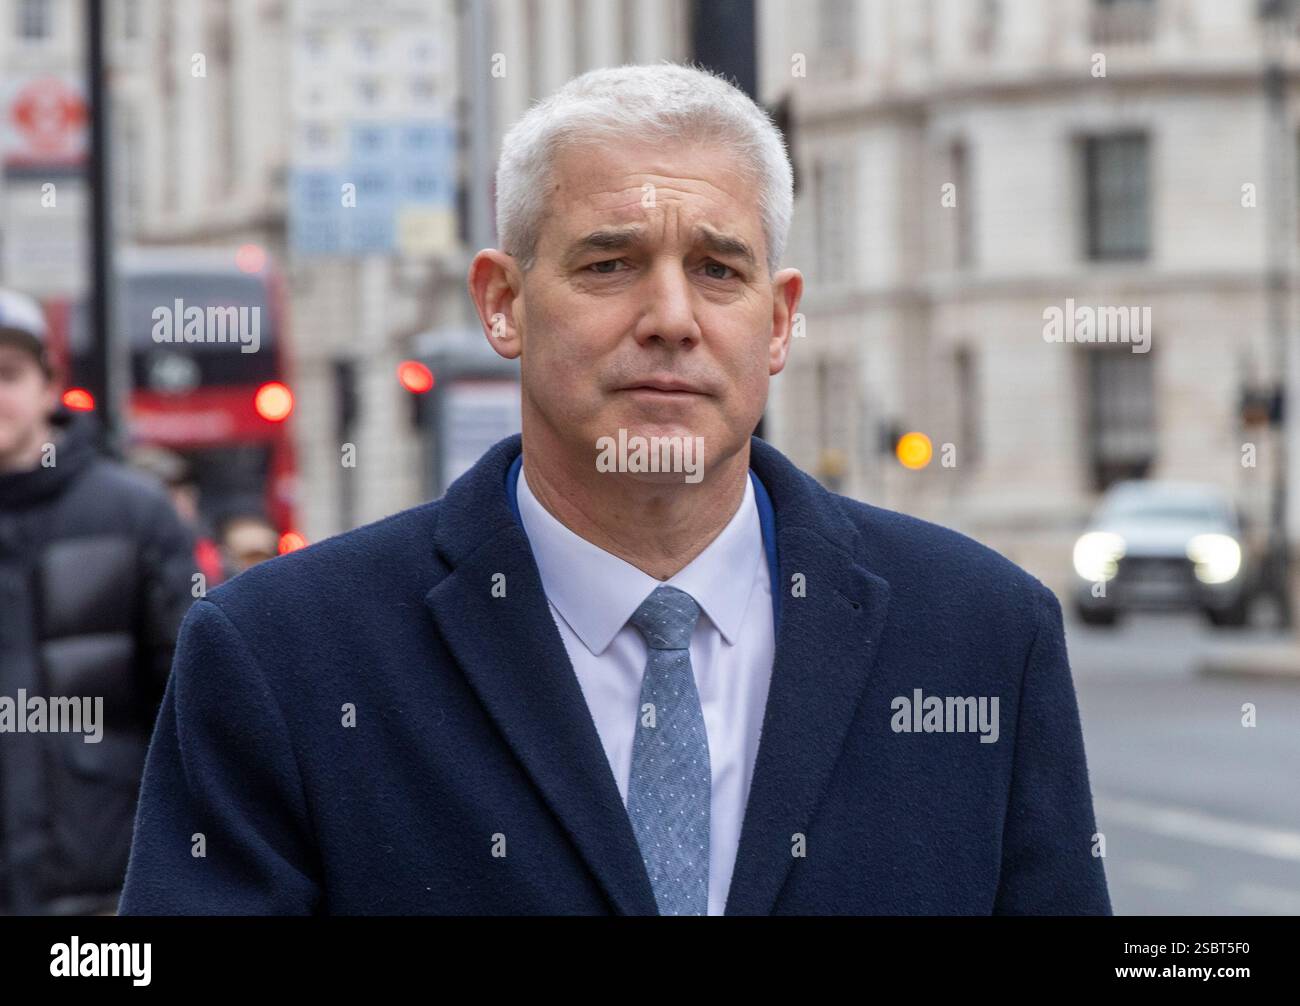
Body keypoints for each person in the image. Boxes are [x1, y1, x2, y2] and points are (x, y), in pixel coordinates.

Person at [120, 64, 1111, 916]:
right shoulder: (283, 656)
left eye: (719, 269)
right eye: (610, 263)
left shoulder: (985, 633)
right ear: (502, 303)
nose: (671, 317)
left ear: (778, 321)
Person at [0, 287, 197, 914]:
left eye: (7, 374)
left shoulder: (135, 514)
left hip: (102, 895)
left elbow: (193, 701)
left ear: (49, 384)